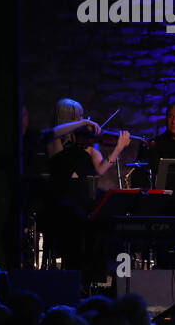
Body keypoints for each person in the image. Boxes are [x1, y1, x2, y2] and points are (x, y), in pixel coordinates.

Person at [42, 98, 130, 272]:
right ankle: (78, 271)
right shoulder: (53, 141)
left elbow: (101, 170)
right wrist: (82, 122)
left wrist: (118, 148)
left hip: (83, 199)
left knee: (107, 218)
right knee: (78, 222)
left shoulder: (86, 145)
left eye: (82, 116)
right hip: (62, 200)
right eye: (78, 117)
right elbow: (53, 132)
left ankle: (98, 273)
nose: (83, 121)